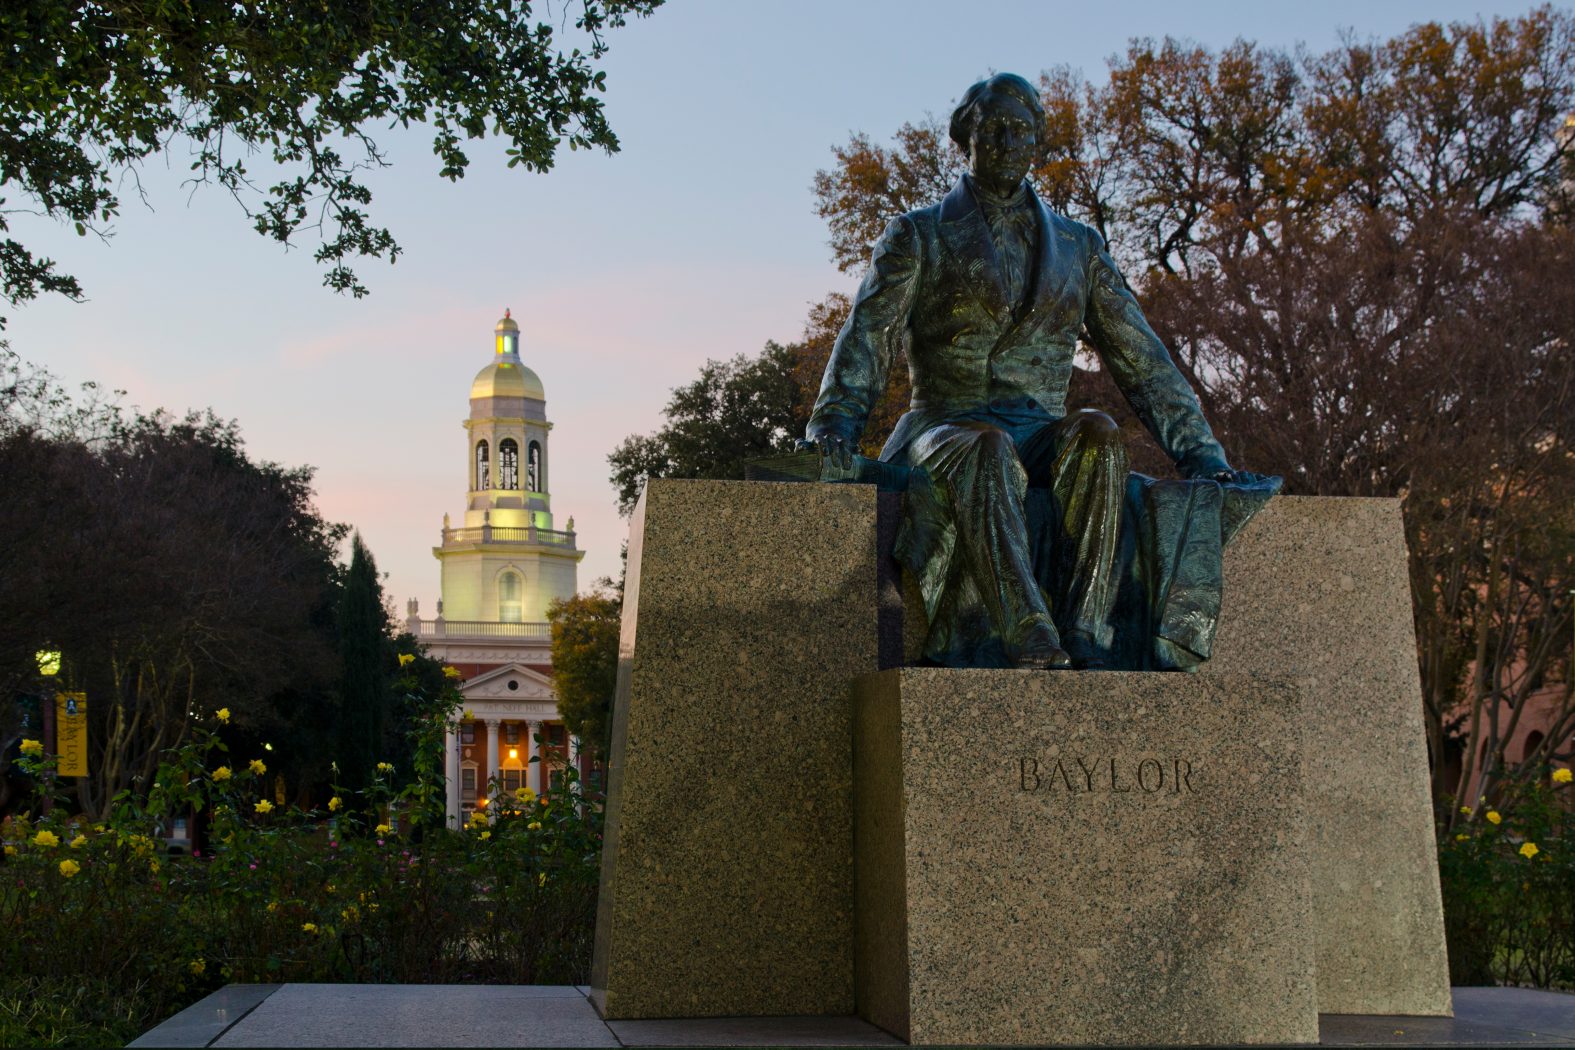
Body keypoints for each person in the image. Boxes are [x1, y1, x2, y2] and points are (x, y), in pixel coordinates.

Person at [805, 73, 1260, 670]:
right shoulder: (919, 233)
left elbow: (1142, 360)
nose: (1006, 141)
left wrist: (1203, 457)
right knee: (985, 447)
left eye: (1021, 130)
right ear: (967, 136)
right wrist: (835, 426)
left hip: (1038, 427)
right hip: (944, 427)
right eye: (992, 128)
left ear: (1036, 142)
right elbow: (868, 335)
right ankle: (1026, 629)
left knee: (1098, 432)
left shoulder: (1079, 246)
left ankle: (1084, 628)